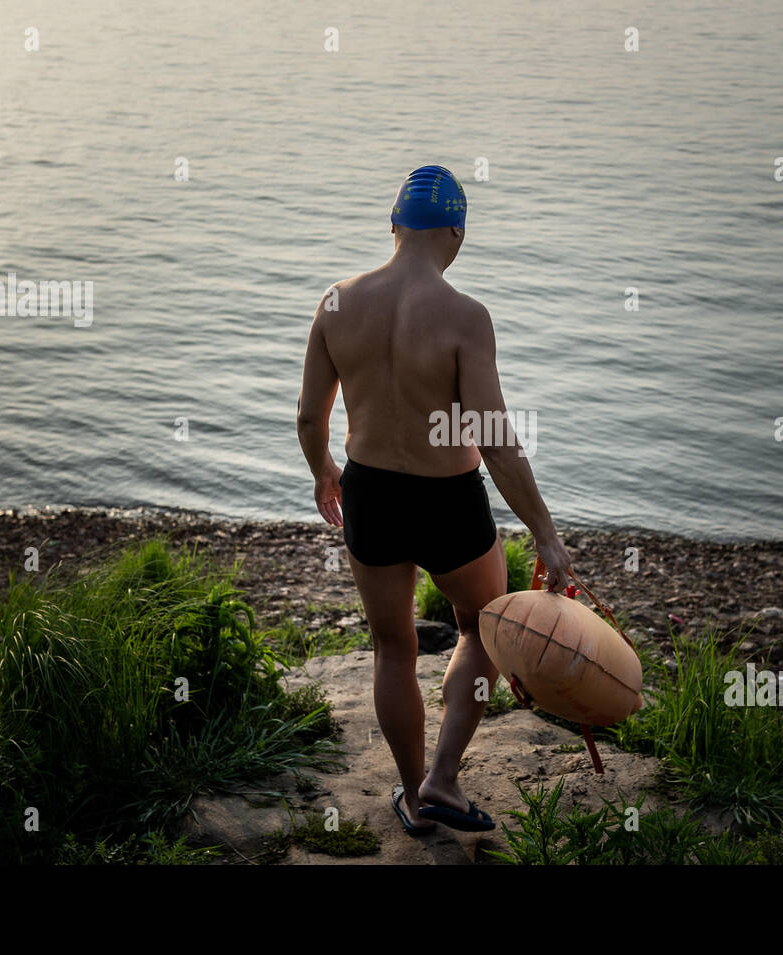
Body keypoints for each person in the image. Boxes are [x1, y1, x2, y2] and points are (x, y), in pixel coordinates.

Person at [296, 164, 574, 836]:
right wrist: (546, 534)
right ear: (457, 231)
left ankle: (412, 799)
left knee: (393, 648)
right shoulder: (465, 316)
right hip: (449, 497)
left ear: (393, 225)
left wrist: (324, 470)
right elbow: (497, 442)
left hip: (371, 490)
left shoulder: (336, 301)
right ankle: (443, 777)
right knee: (482, 628)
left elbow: (310, 415)